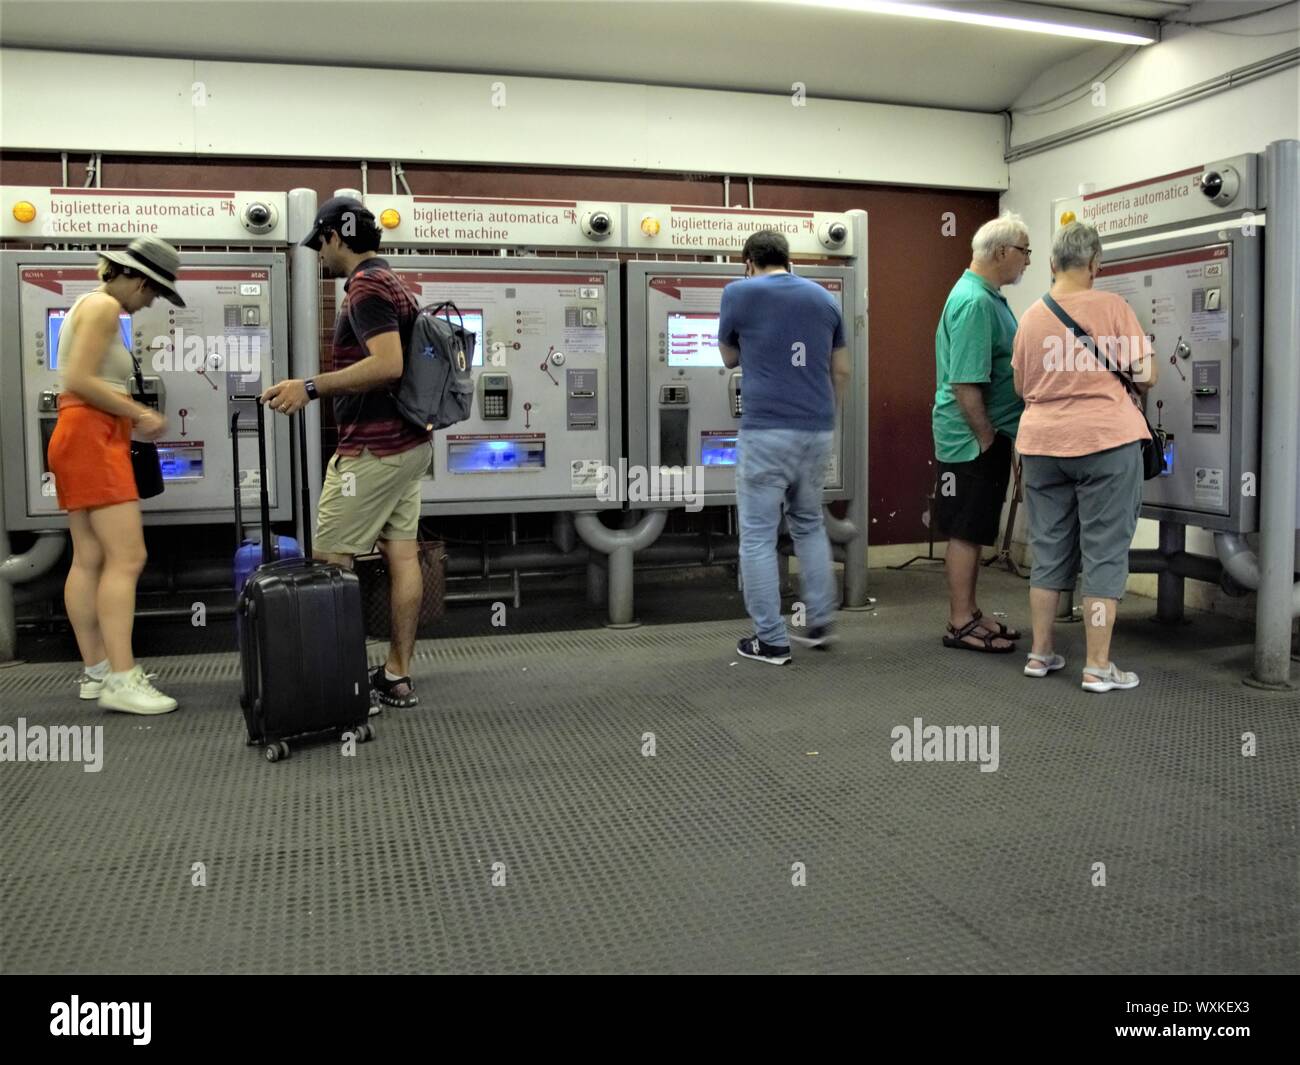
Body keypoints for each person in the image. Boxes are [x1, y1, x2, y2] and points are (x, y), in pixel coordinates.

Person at [261, 196, 429, 710]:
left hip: (373, 451)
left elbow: (388, 365)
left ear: (336, 236)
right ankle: (395, 675)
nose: (320, 255)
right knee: (402, 556)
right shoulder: (394, 280)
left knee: (330, 558)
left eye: (321, 244)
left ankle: (349, 683)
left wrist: (309, 387)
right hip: (409, 444)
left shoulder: (364, 288)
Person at [1011, 222, 1158, 692]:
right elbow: (1147, 374)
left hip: (1041, 446)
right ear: (1096, 264)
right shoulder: (1113, 307)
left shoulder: (1032, 315)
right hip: (1105, 444)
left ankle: (1040, 653)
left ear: (1052, 264)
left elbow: (1020, 386)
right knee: (1104, 554)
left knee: (1049, 549)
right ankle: (1096, 666)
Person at [47, 237, 185, 714]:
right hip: (93, 433)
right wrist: (140, 415)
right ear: (142, 280)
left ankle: (99, 671)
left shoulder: (85, 306)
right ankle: (123, 679)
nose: (149, 304)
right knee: (127, 558)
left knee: (88, 557)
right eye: (154, 294)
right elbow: (79, 379)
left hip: (74, 434)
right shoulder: (105, 308)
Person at [718, 230, 852, 665]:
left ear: (749, 262)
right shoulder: (824, 298)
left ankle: (771, 640)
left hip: (766, 431)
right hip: (816, 430)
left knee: (757, 536)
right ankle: (818, 624)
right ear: (788, 259)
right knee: (809, 523)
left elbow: (727, 358)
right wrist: (828, 416)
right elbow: (843, 370)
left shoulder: (738, 292)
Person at [931, 212, 1029, 653]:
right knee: (966, 530)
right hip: (972, 439)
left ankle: (970, 613)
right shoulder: (974, 302)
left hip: (982, 435)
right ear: (1002, 252)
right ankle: (959, 622)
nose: (1027, 261)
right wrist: (988, 438)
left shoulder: (985, 296)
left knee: (973, 528)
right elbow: (966, 382)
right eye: (1025, 252)